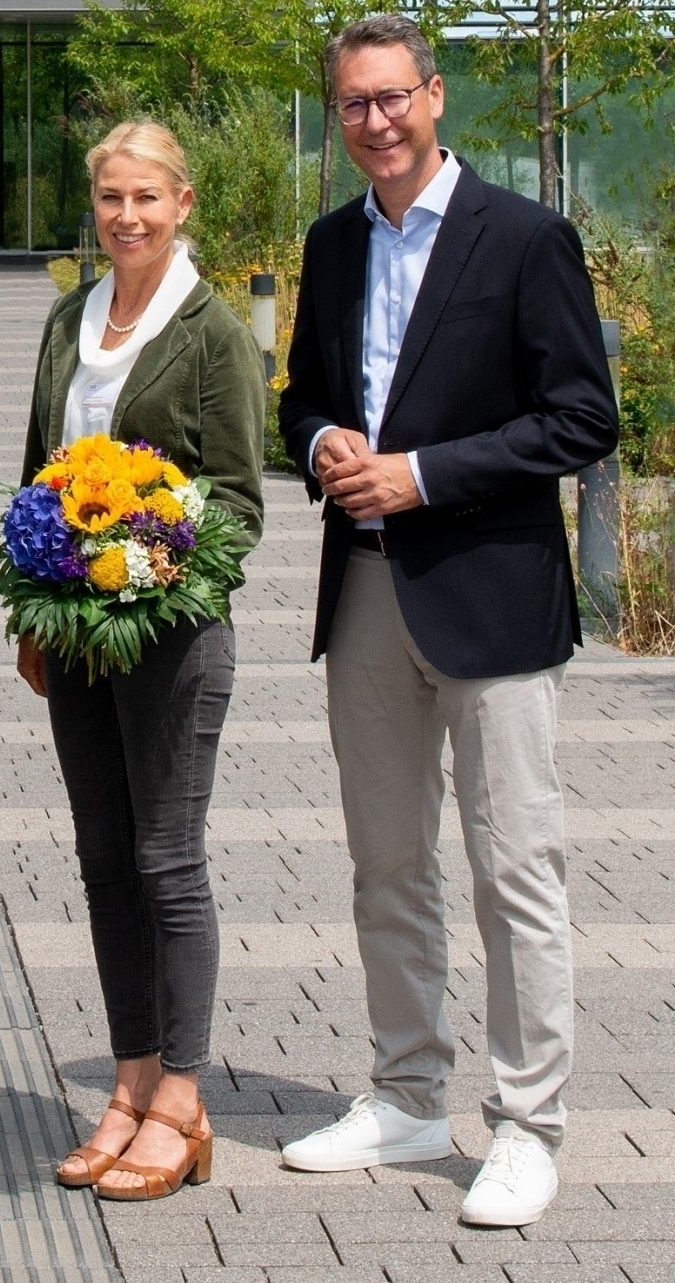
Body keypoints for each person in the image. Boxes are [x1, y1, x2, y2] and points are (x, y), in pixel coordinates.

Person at [276, 16, 618, 1228]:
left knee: (515, 866)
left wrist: (422, 473)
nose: (374, 121)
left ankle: (528, 1125)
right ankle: (408, 1090)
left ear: (434, 96)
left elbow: (582, 422)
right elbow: (305, 395)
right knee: (387, 862)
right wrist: (320, 440)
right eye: (353, 104)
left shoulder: (525, 239)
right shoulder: (331, 243)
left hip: (489, 594)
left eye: (392, 98)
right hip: (365, 589)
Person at [16, 120, 265, 1203]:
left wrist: (152, 561)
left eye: (146, 200)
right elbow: (40, 469)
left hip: (169, 637)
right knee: (104, 860)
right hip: (77, 635)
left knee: (167, 859)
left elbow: (241, 503)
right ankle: (124, 1084)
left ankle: (182, 1099)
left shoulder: (211, 332)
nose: (126, 217)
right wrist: (35, 608)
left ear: (183, 202)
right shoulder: (72, 316)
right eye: (111, 198)